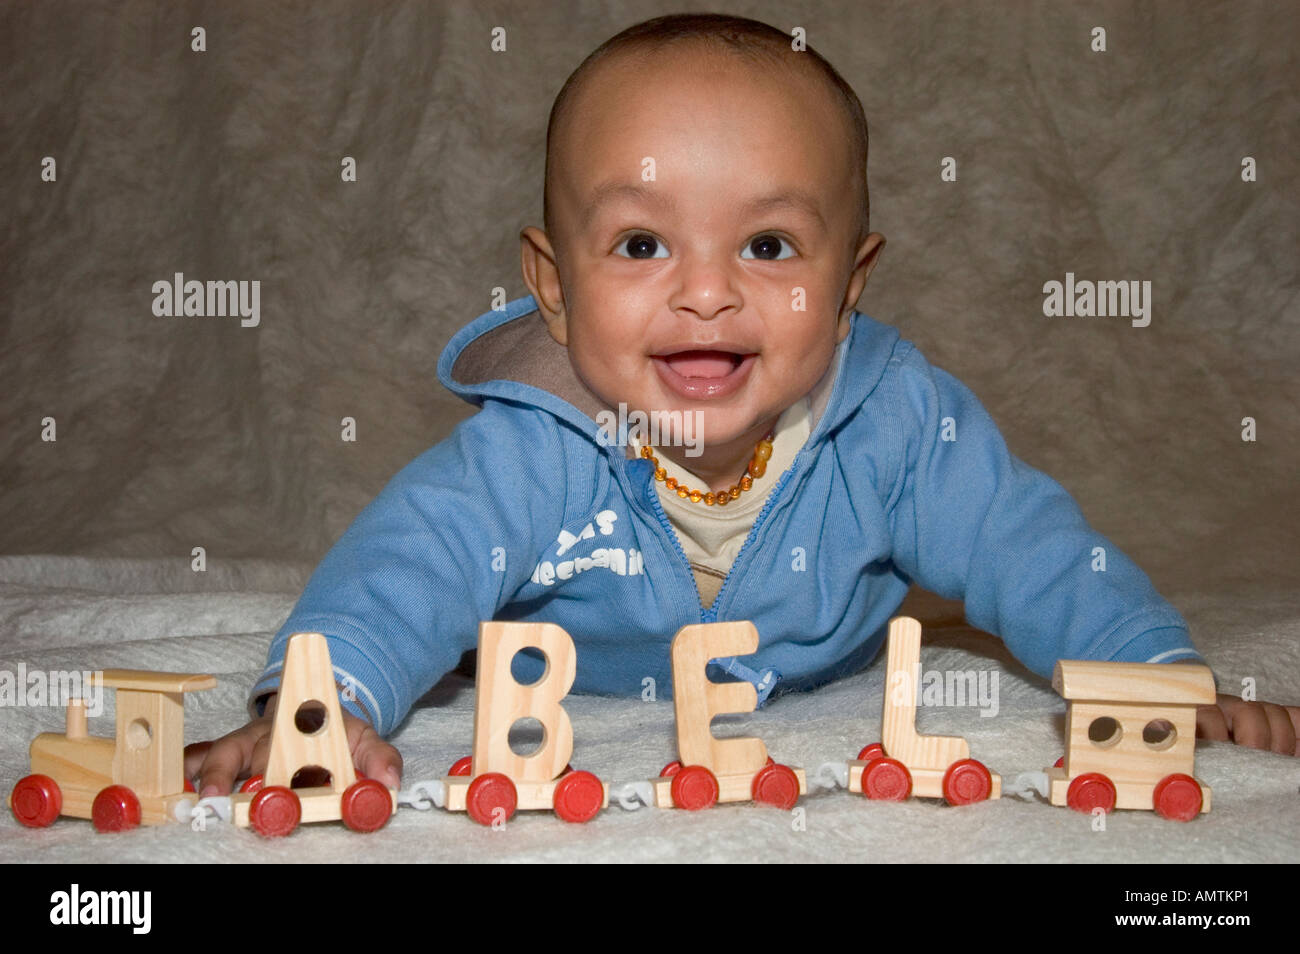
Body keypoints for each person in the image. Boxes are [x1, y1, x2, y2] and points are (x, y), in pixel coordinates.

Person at [187, 14, 1298, 795]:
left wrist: (1153, 679)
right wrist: (322, 705)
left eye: (767, 245)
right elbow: (405, 565)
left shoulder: (897, 423)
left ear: (849, 286)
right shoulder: (534, 443)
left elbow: (1033, 548)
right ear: (553, 288)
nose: (707, 292)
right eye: (639, 243)